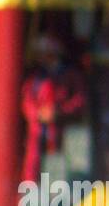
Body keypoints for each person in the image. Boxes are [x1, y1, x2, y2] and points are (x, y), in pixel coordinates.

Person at [20, 34, 86, 188]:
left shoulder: (70, 75)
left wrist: (59, 112)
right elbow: (27, 100)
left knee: (59, 169)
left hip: (62, 131)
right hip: (38, 131)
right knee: (33, 167)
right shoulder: (36, 77)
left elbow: (79, 100)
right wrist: (37, 113)